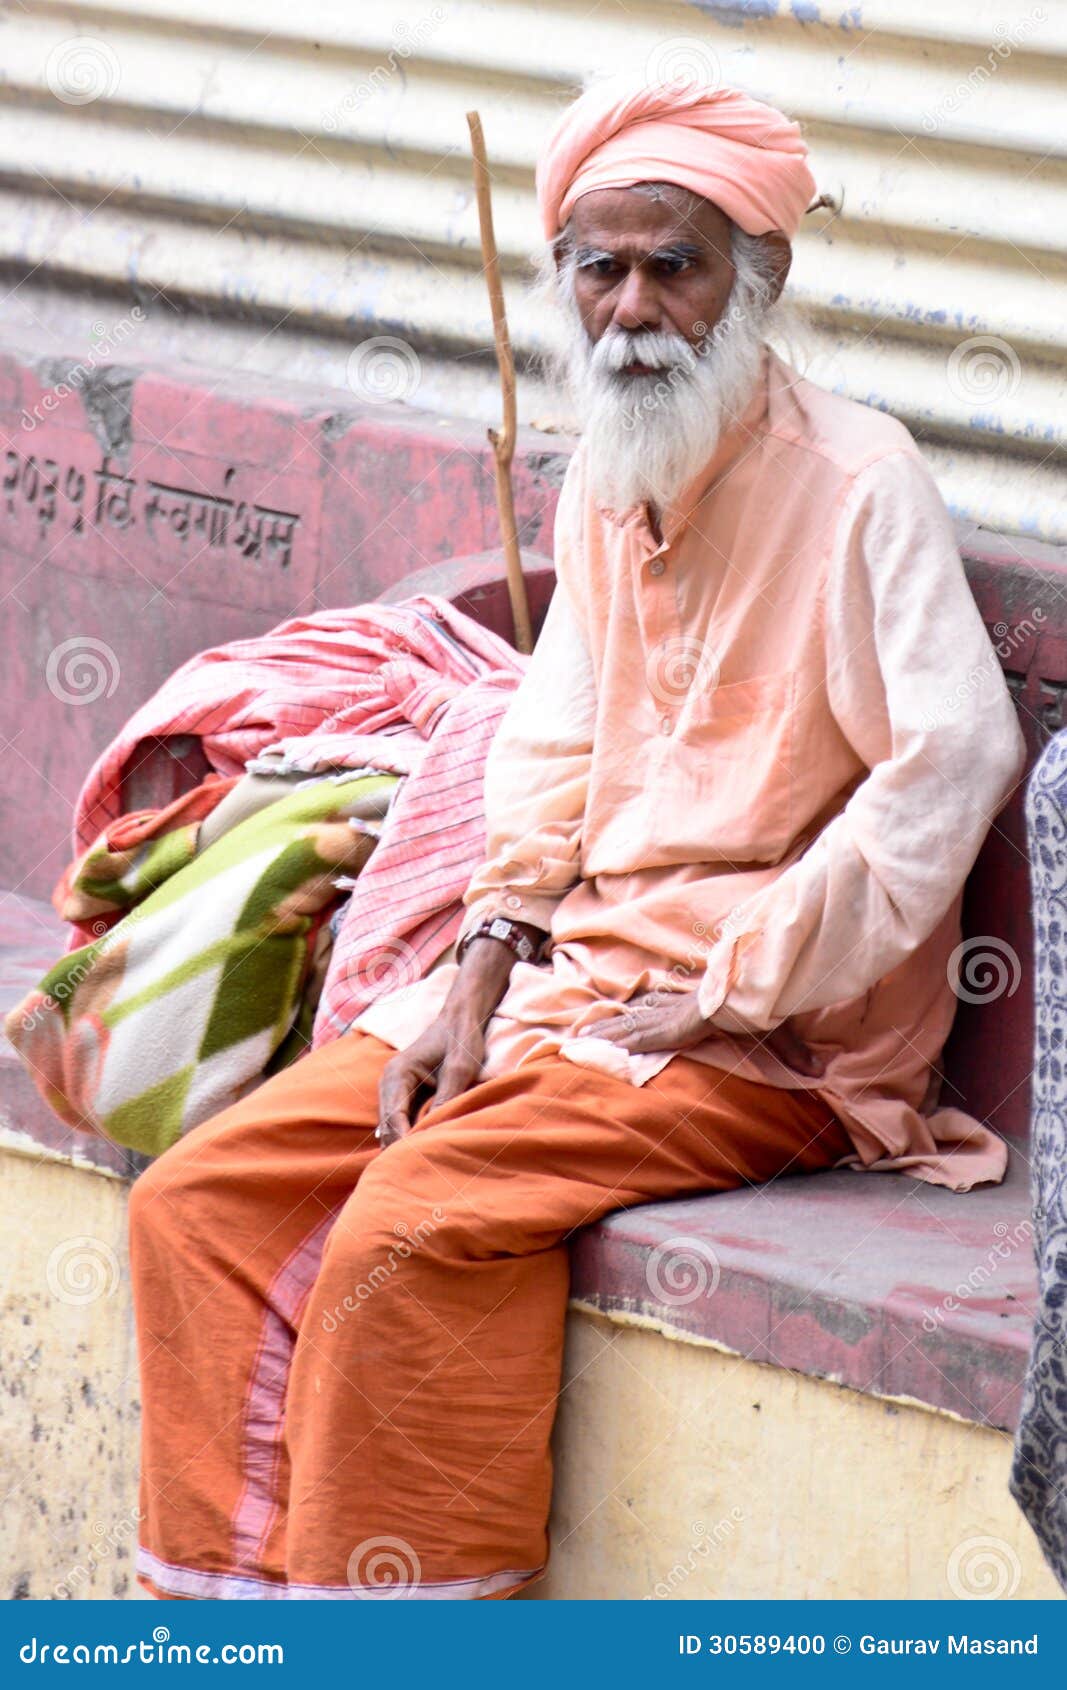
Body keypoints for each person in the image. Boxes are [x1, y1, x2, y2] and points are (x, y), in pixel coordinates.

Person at [128, 75, 1024, 1600]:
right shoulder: (613, 471)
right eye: (597, 268)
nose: (632, 309)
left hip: (769, 1042)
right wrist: (478, 964)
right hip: (578, 991)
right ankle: (225, 1615)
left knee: (410, 1225)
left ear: (760, 274)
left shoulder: (860, 480)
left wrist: (738, 976)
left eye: (671, 264)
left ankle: (392, 1635)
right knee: (195, 1200)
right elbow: (554, 741)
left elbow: (957, 761)